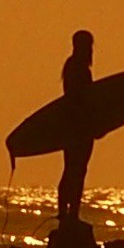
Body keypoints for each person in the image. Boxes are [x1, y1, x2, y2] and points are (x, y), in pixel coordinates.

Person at [53, 27, 98, 234]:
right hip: (78, 128)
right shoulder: (77, 67)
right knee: (75, 170)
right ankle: (68, 214)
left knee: (74, 169)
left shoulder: (73, 66)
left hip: (74, 127)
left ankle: (69, 214)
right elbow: (80, 100)